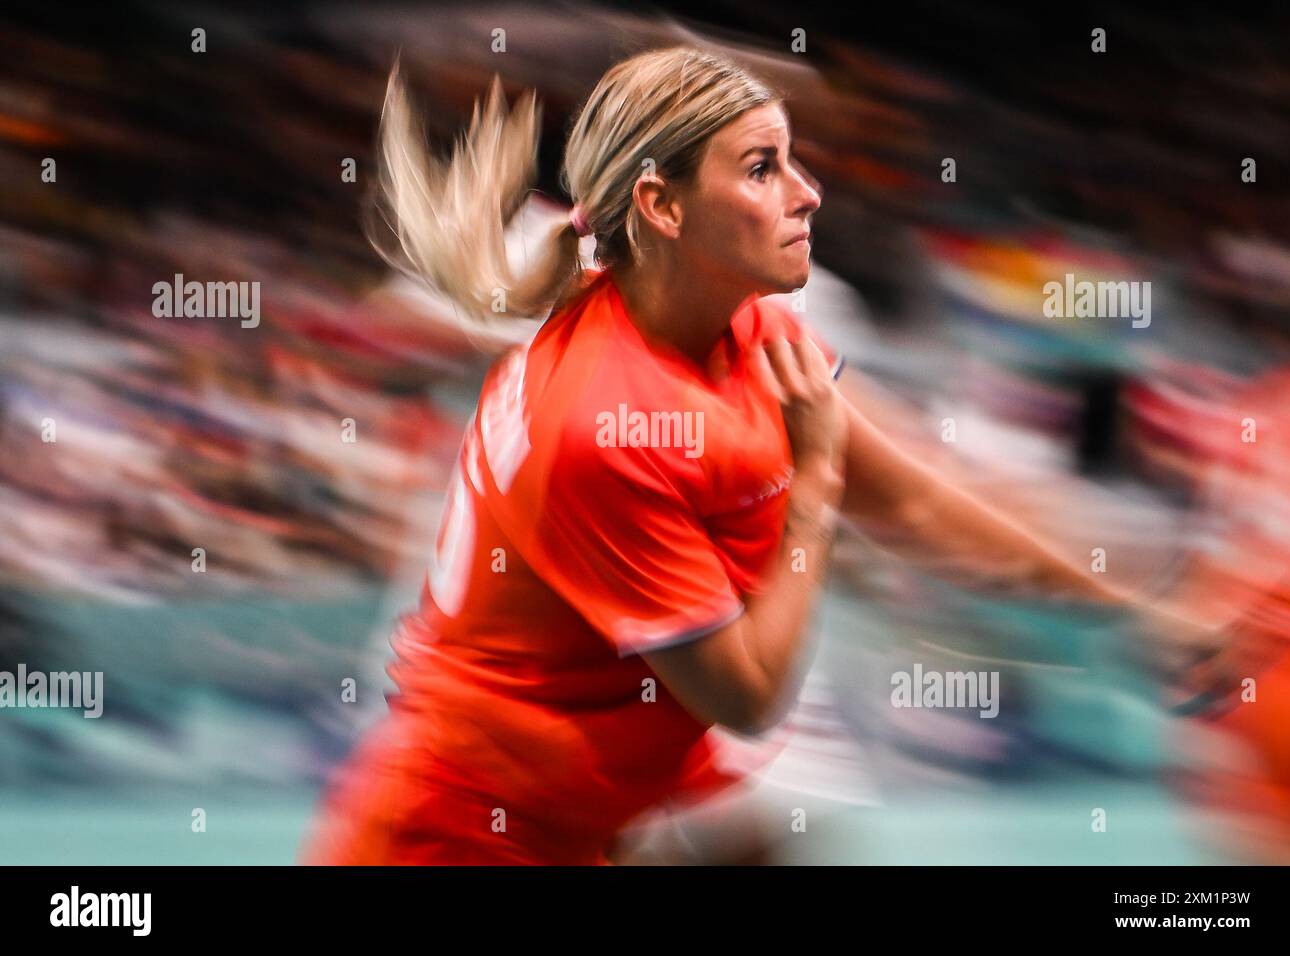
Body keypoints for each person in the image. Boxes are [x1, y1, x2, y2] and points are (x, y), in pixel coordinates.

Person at [301, 45, 1216, 866]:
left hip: (588, 815)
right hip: (454, 841)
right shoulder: (606, 423)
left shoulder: (751, 329)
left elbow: (923, 510)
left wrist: (1128, 607)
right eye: (763, 166)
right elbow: (747, 695)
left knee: (767, 828)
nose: (811, 188)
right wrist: (813, 488)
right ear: (660, 207)